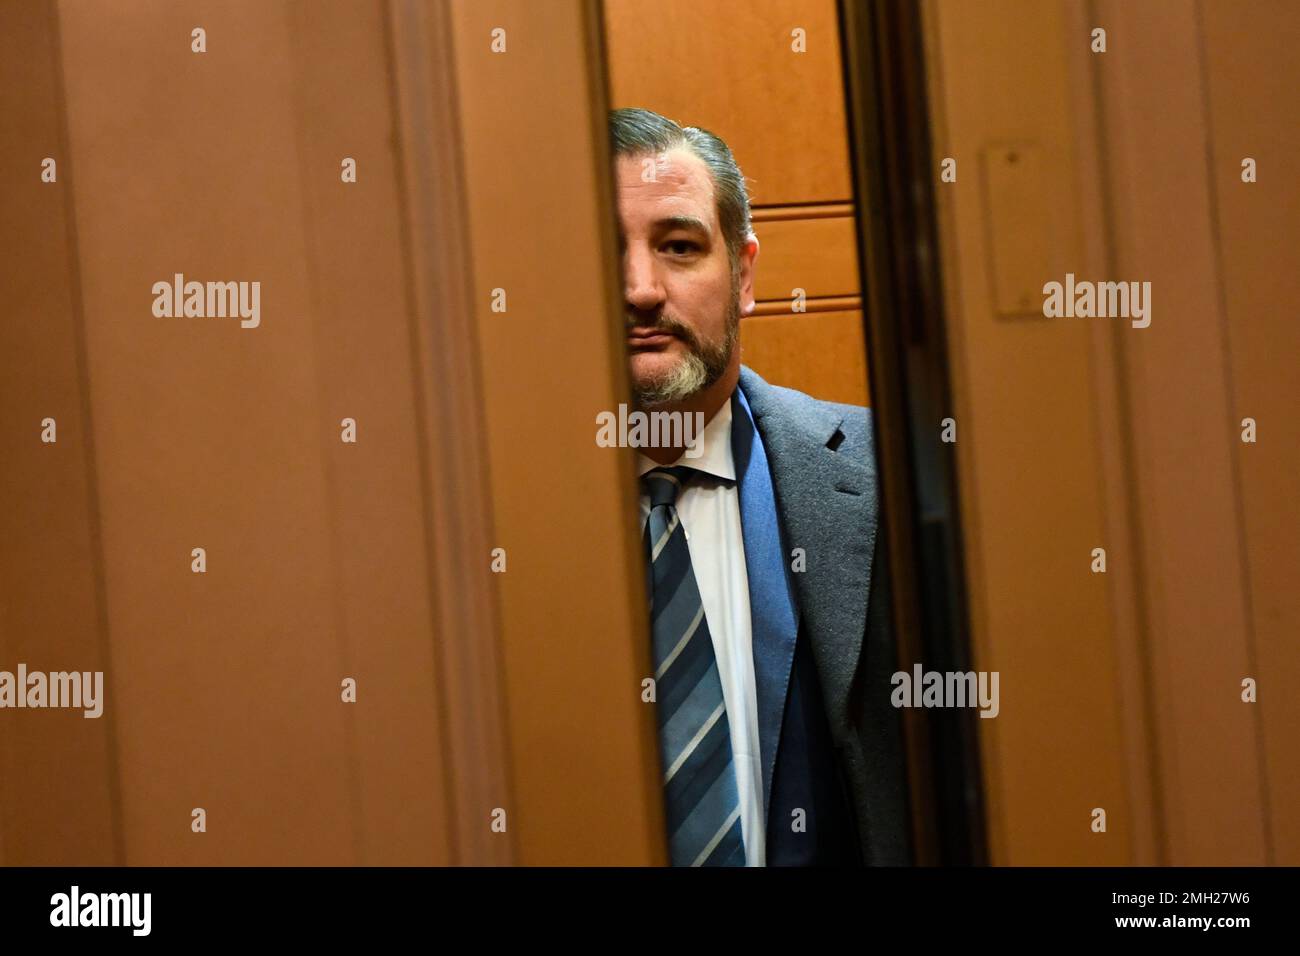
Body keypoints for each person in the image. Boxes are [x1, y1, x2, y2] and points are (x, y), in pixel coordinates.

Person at [612, 107, 909, 866]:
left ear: (743, 275)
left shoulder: (893, 477)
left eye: (679, 246)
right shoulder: (486, 532)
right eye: (600, 252)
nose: (640, 290)